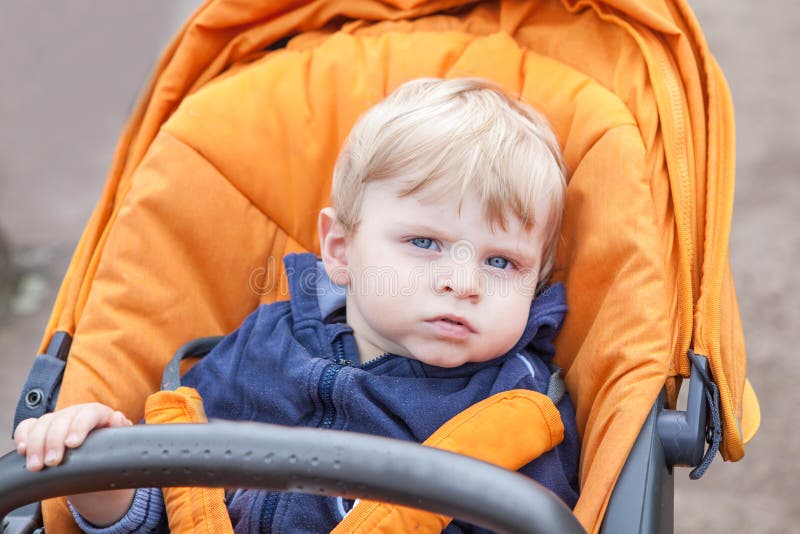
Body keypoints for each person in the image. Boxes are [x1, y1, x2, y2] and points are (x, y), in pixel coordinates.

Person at [14, 77, 579, 532]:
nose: (463, 283)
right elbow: (166, 503)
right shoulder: (265, 344)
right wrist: (97, 470)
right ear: (341, 250)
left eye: (500, 262)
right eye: (424, 243)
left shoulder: (517, 402)